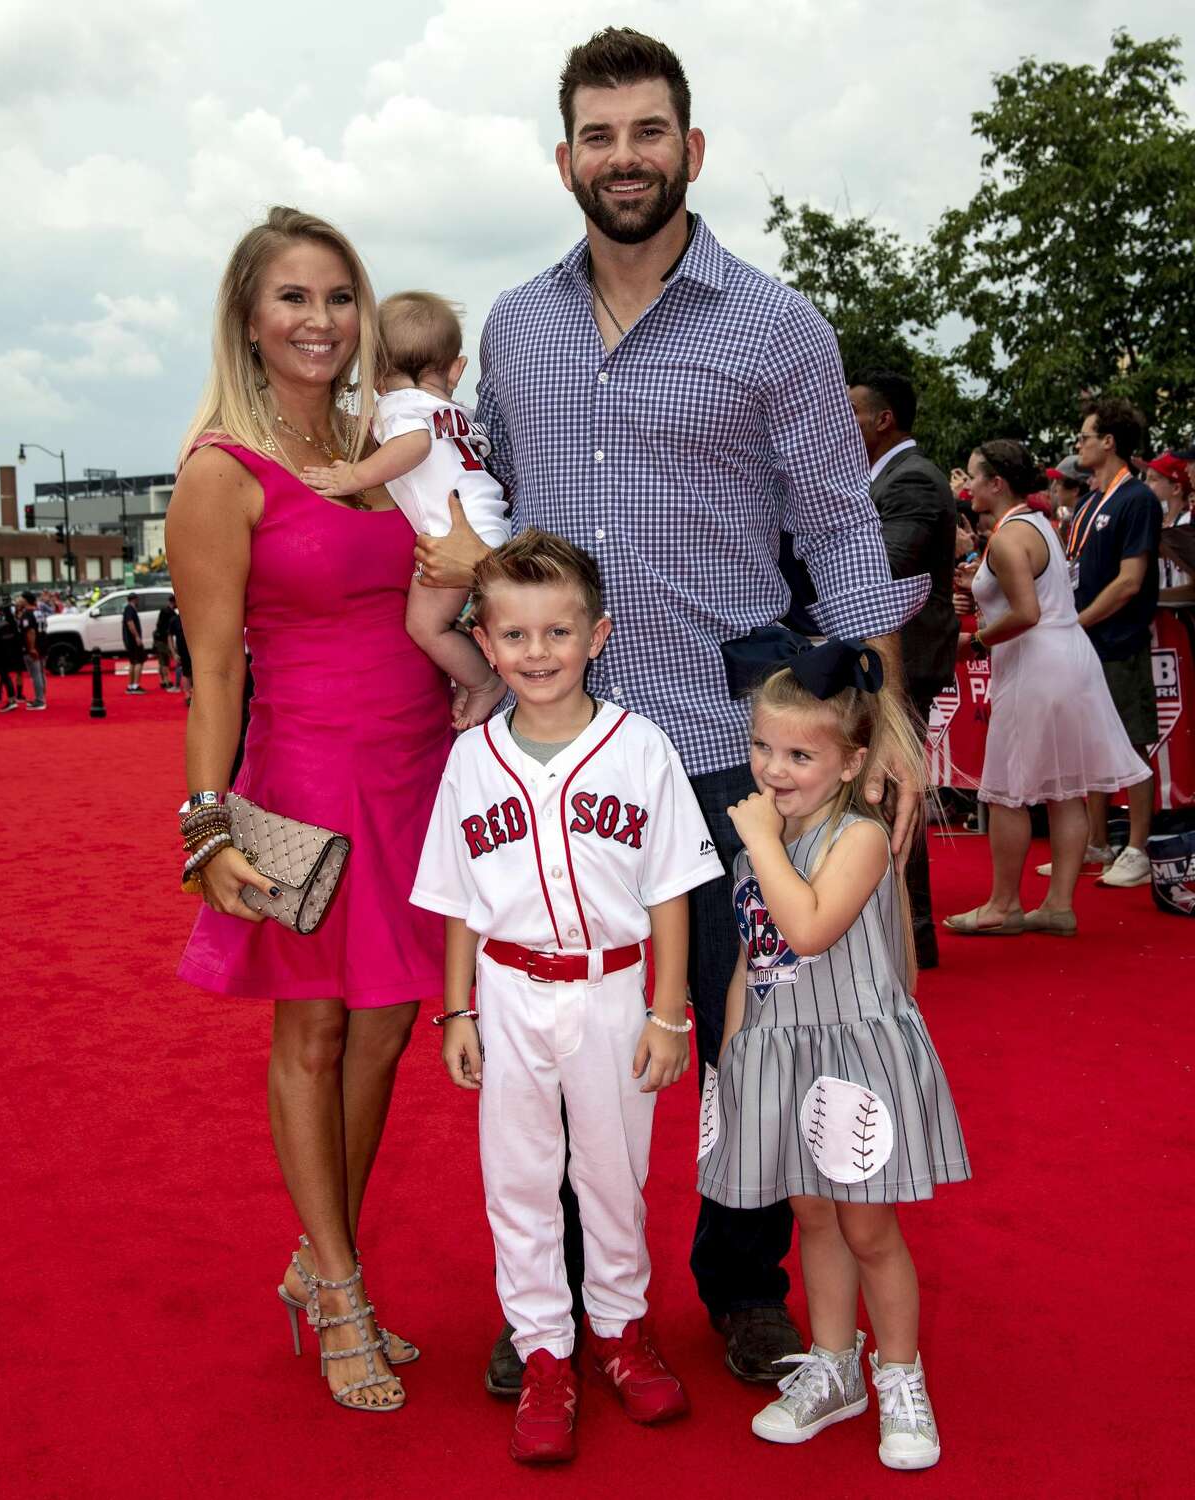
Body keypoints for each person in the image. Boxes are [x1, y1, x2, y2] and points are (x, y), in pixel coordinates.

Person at [414, 24, 930, 1388]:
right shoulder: (516, 325)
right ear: (565, 157)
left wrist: (897, 719)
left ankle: (739, 1285)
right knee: (572, 1039)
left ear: (689, 150)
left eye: (648, 132)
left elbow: (836, 527)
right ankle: (568, 1307)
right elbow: (488, 512)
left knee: (745, 1042)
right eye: (598, 134)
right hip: (558, 758)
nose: (623, 157)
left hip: (728, 757)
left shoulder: (777, 324)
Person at [166, 205, 453, 1412]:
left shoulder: (382, 441)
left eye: (339, 297)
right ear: (247, 317)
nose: (321, 320)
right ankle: (339, 1286)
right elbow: (217, 670)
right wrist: (205, 826)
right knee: (316, 1033)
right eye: (293, 298)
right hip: (308, 782)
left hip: (419, 769)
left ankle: (313, 1256)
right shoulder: (219, 474)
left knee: (388, 1032)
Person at [411, 530, 722, 1463]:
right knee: (517, 1182)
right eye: (514, 635)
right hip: (506, 989)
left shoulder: (642, 747)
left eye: (558, 631)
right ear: (486, 640)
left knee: (612, 1178)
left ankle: (620, 1333)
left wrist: (672, 1012)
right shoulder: (472, 759)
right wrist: (456, 1008)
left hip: (615, 991)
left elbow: (671, 888)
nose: (536, 652)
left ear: (599, 635)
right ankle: (545, 1349)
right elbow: (460, 898)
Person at [697, 629, 969, 1471]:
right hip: (782, 1052)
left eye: (799, 756)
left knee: (867, 1224)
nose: (773, 771)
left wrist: (766, 848)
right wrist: (737, 1054)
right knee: (810, 1214)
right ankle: (833, 1364)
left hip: (851, 1060)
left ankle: (899, 1373)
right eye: (761, 748)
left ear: (850, 764)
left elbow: (809, 928)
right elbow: (756, 956)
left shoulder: (855, 838)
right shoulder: (760, 846)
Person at [942, 442, 1150, 935]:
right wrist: (980, 582)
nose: (966, 486)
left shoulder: (1013, 536)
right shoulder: (1036, 526)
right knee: (1065, 790)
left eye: (973, 477)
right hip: (1066, 657)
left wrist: (975, 642)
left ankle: (1004, 904)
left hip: (1036, 664)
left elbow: (1026, 612)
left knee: (1008, 791)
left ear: (998, 483)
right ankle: (1057, 906)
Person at [302, 291, 511, 728]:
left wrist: (353, 477)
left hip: (451, 536)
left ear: (377, 372)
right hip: (489, 528)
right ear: (456, 368)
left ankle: (483, 683)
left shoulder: (400, 405)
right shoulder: (456, 411)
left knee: (424, 626)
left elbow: (412, 446)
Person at [847, 369, 958, 969]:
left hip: (906, 660)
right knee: (883, 786)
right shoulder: (886, 477)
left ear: (883, 419)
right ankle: (896, 925)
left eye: (852, 411)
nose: (839, 422)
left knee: (895, 786)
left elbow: (880, 566)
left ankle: (911, 930)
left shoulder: (912, 479)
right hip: (892, 655)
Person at [1071, 399, 1160, 888]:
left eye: (1085, 435)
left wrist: (1078, 621)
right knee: (1090, 748)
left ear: (1109, 441)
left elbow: (1130, 582)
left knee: (1131, 743)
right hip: (1087, 641)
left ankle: (1138, 848)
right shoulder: (1088, 503)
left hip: (1118, 639)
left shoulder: (1137, 499)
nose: (1079, 443)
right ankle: (1097, 843)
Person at [1145, 453, 1193, 592]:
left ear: (1176, 488)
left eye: (1153, 479)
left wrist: (1146, 599)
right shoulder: (1154, 525)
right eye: (1146, 479)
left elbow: (1192, 591)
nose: (1145, 485)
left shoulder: (1188, 523)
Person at [18, 593, 46, 710]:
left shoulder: (27, 614)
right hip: (43, 644)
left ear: (26, 600)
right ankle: (41, 697)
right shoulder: (39, 612)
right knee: (41, 673)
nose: (19, 600)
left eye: (21, 598)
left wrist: (31, 648)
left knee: (36, 675)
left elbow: (30, 632)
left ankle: (39, 701)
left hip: (33, 647)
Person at [0, 603, 23, 711]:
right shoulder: (11, 623)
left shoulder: (2, 623)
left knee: (4, 676)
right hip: (9, 653)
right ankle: (11, 699)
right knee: (5, 676)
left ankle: (10, 699)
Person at [153, 593, 180, 692]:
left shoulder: (163, 610)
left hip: (158, 639)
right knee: (165, 662)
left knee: (161, 661)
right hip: (163, 640)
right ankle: (167, 681)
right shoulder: (171, 613)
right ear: (174, 602)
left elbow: (158, 624)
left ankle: (162, 681)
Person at [122, 592, 147, 693]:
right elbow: (130, 623)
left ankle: (131, 685)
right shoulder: (130, 609)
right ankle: (135, 685)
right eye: (137, 599)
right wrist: (137, 637)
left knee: (133, 662)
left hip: (130, 640)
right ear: (134, 599)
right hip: (133, 640)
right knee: (139, 661)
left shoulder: (128, 609)